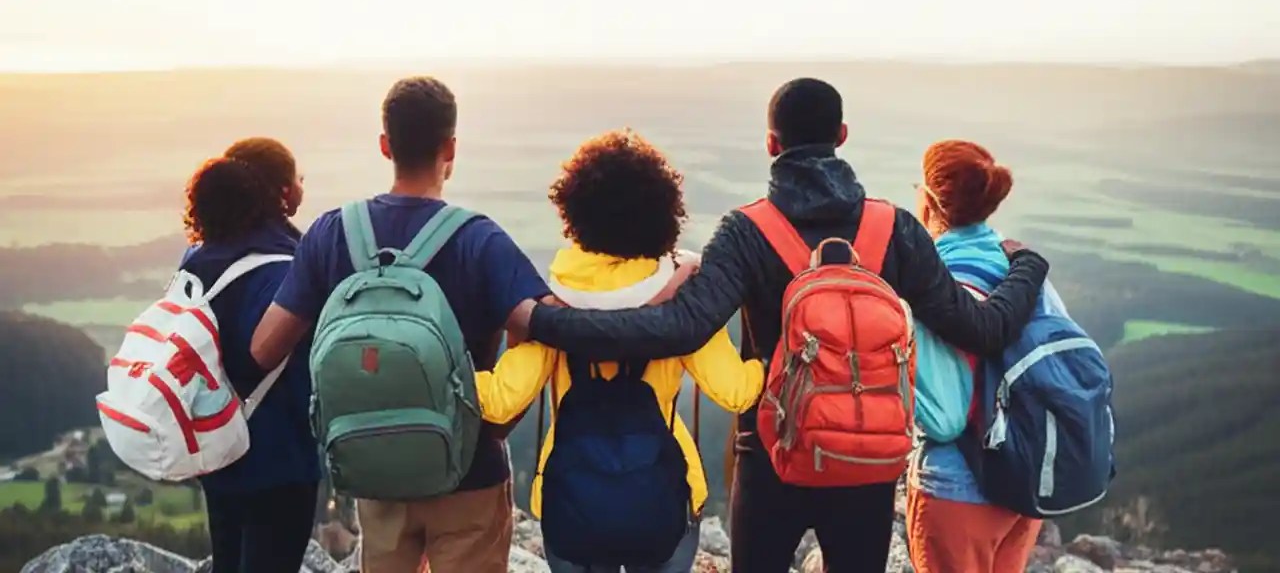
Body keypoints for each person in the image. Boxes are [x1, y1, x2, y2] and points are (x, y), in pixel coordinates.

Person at [506, 78, 1052, 572]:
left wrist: (546, 322)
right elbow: (982, 329)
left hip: (771, 457)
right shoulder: (896, 228)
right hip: (865, 457)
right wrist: (1027, 264)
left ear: (771, 144)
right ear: (842, 135)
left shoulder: (746, 232)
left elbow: (676, 329)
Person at [249, 76, 551, 573]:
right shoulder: (479, 240)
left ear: (385, 145)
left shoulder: (331, 232)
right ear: (450, 147)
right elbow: (536, 323)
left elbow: (265, 347)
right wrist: (498, 417)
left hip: (374, 464)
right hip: (469, 473)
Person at [475, 130, 765, 573]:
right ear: (661, 212)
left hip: (571, 497)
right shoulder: (681, 298)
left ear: (575, 212)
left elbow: (499, 401)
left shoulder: (554, 300)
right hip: (665, 492)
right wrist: (767, 359)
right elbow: (737, 393)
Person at [906, 140, 1044, 573]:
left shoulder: (933, 276)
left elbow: (945, 416)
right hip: (1025, 476)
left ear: (928, 200)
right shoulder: (1012, 259)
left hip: (959, 482)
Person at [179, 137, 315, 573]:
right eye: (296, 177)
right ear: (282, 193)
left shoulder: (197, 258)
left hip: (216, 445)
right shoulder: (291, 267)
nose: (301, 185)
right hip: (281, 457)